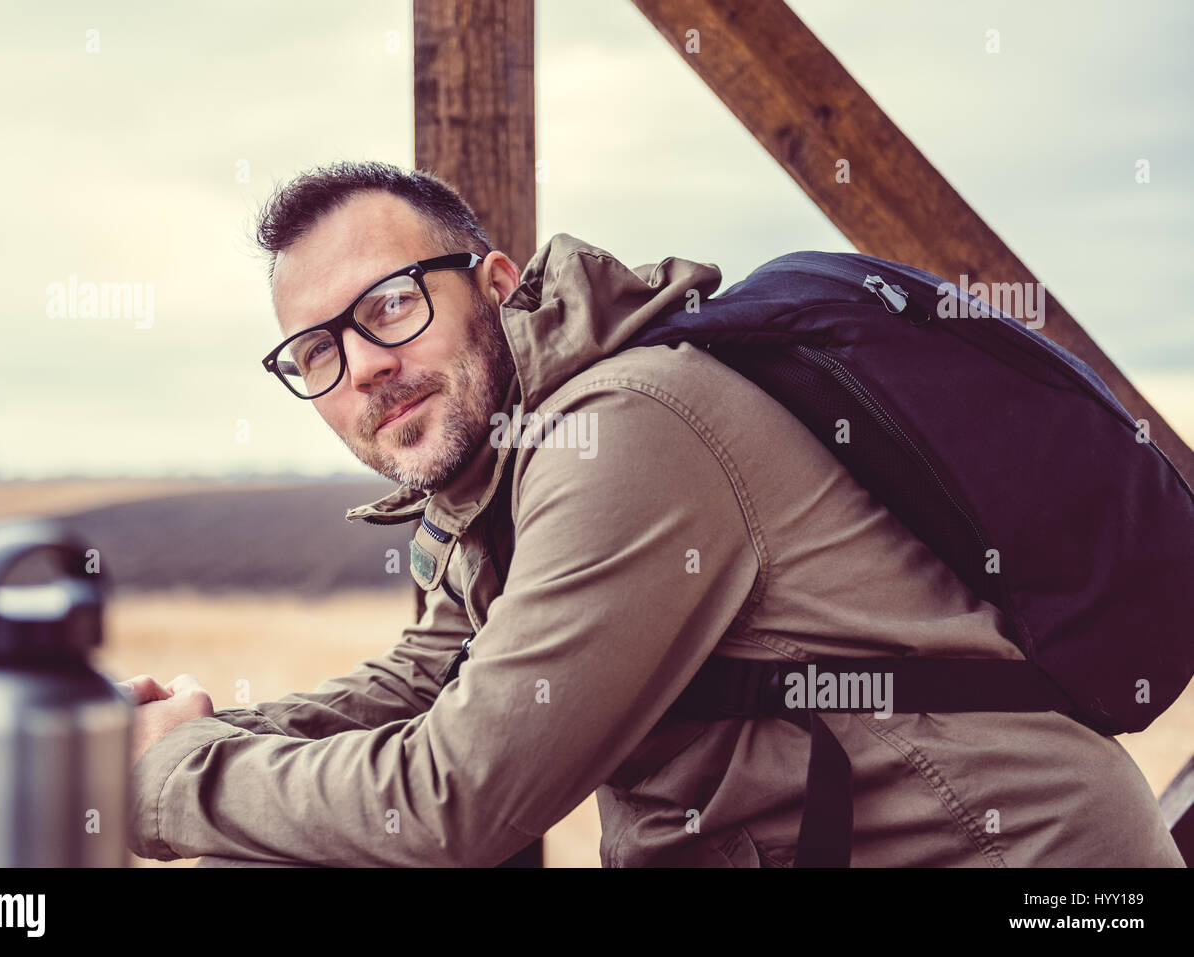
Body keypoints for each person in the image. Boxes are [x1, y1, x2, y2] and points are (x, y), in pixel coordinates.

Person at [120, 160, 1183, 867]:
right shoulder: (497, 474)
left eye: (392, 304)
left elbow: (459, 798)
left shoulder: (629, 430)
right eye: (317, 351)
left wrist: (164, 786)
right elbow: (423, 684)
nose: (365, 368)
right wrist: (205, 733)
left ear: (495, 282)